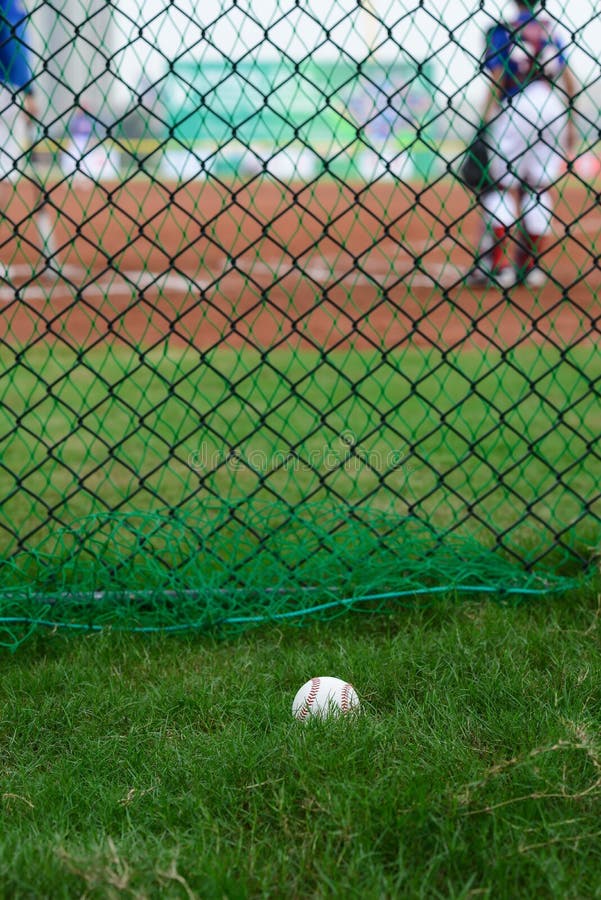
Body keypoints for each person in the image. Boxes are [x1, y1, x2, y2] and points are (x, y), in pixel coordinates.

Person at [467, 0, 577, 288]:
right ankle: (530, 268)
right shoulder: (550, 30)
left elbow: (498, 76)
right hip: (551, 105)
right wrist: (570, 122)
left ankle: (497, 268)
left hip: (516, 103)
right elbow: (569, 80)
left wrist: (485, 119)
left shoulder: (502, 31)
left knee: (501, 185)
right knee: (538, 188)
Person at [0, 0, 56, 282]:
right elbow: (13, 46)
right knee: (3, 175)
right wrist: (28, 91)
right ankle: (50, 253)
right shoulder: (9, 4)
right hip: (7, 90)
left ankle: (50, 252)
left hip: (9, 90)